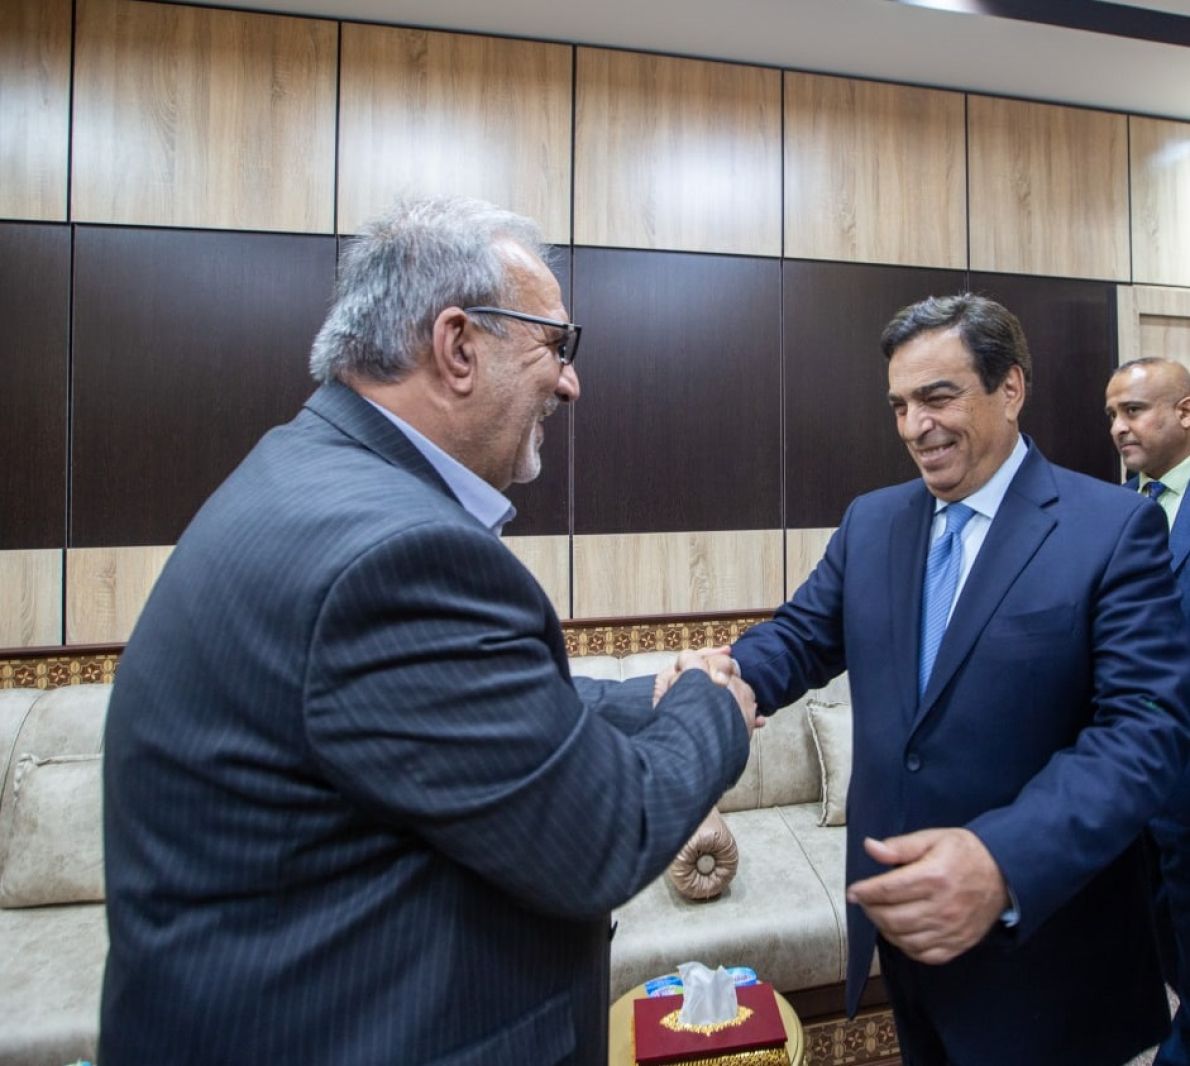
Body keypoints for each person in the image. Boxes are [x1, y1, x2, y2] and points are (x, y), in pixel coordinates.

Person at [99, 196, 756, 1066]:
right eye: (558, 344)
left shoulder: (309, 474)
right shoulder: (400, 555)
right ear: (457, 347)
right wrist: (714, 702)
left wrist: (650, 695)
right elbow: (603, 833)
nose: (570, 381)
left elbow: (487, 713)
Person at [731, 294, 1190, 1065]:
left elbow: (1145, 732)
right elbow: (802, 636)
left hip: (1049, 951)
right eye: (900, 405)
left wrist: (1003, 859)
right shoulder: (872, 521)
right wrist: (727, 674)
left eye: (938, 397)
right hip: (905, 939)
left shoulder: (1111, 528)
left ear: (1010, 389)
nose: (915, 426)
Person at [1106, 356, 1190, 1066]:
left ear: (1185, 412)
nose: (1118, 428)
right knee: (1160, 945)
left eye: (1133, 411)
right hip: (1134, 784)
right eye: (1112, 415)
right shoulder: (1120, 509)